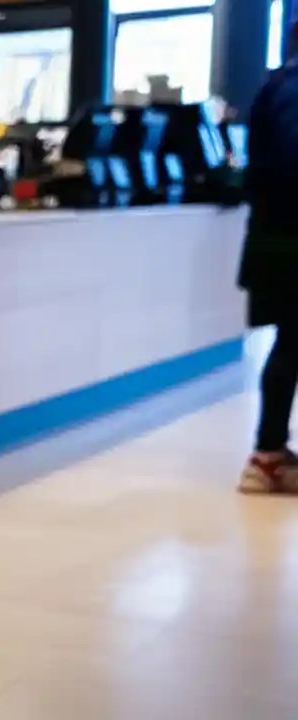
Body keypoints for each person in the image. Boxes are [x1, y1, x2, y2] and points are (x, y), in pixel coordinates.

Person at [238, 27, 298, 494]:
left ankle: (269, 453)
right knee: (292, 340)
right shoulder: (293, 89)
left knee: (291, 340)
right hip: (290, 238)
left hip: (279, 235)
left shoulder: (281, 85)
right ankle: (267, 456)